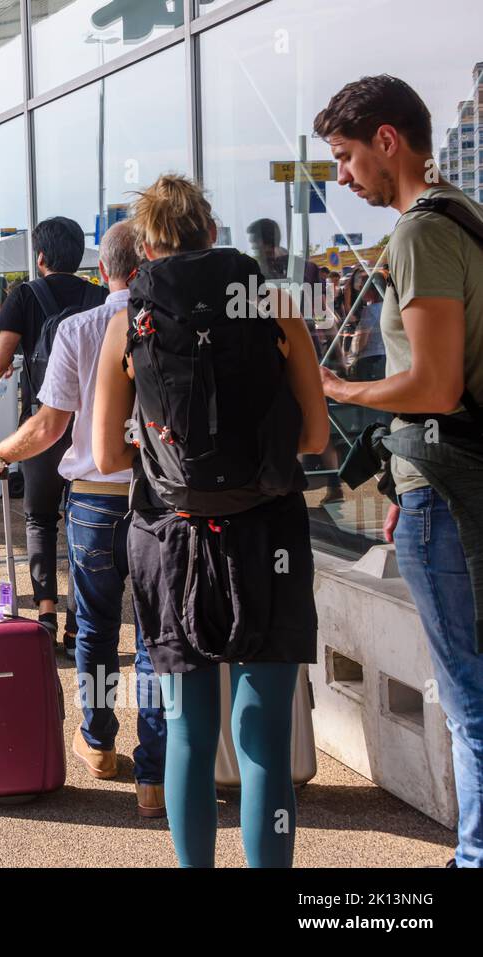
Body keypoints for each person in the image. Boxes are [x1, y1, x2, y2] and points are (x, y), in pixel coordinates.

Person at [93, 174, 328, 867]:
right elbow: (314, 438)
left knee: (190, 734)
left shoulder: (125, 321)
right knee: (262, 738)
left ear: (148, 247)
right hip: (270, 533)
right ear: (211, 234)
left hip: (170, 538)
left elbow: (108, 453)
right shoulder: (274, 303)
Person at [316, 74, 483, 867]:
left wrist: (339, 387)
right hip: (452, 482)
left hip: (447, 492)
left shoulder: (419, 233)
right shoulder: (470, 216)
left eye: (346, 157)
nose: (343, 177)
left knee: (467, 696)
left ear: (388, 140)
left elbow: (436, 385)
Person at [0, 222, 166, 817]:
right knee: (157, 638)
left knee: (99, 629)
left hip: (94, 499)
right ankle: (153, 775)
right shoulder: (172, 322)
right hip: (162, 499)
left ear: (102, 269)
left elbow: (50, 425)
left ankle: (99, 742)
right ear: (149, 262)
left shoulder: (80, 329)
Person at [0, 217, 108, 648]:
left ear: (40, 257)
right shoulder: (100, 297)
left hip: (43, 421)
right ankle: (78, 620)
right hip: (91, 424)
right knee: (83, 520)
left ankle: (45, 612)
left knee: (39, 518)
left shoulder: (24, 295)